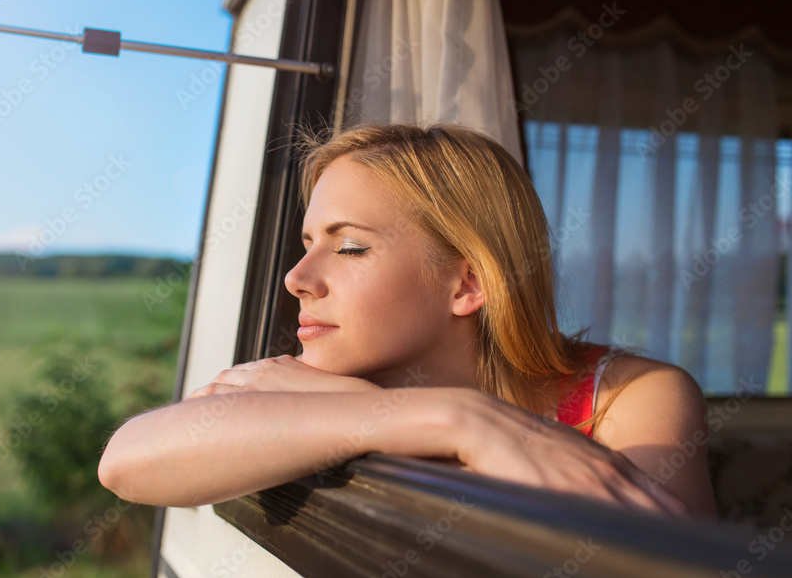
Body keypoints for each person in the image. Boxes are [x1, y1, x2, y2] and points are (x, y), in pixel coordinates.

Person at [98, 123, 717, 519]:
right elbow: (127, 461)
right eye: (308, 241)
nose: (296, 277)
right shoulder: (325, 386)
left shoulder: (631, 395)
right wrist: (446, 418)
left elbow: (657, 558)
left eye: (348, 247)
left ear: (468, 282)